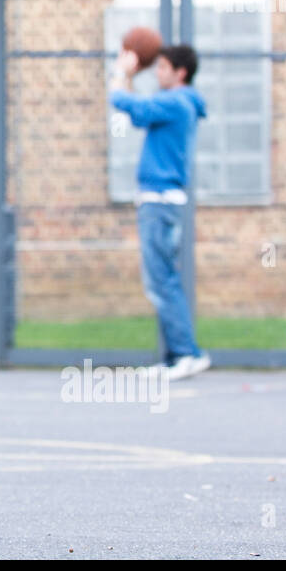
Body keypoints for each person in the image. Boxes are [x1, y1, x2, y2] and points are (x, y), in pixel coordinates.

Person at [110, 43, 211, 381]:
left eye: (164, 67)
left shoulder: (176, 102)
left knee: (162, 281)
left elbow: (124, 102)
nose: (158, 72)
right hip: (161, 202)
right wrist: (128, 80)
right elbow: (139, 114)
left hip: (160, 202)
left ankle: (186, 354)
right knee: (161, 280)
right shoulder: (177, 104)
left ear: (181, 72)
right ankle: (175, 356)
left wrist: (121, 73)